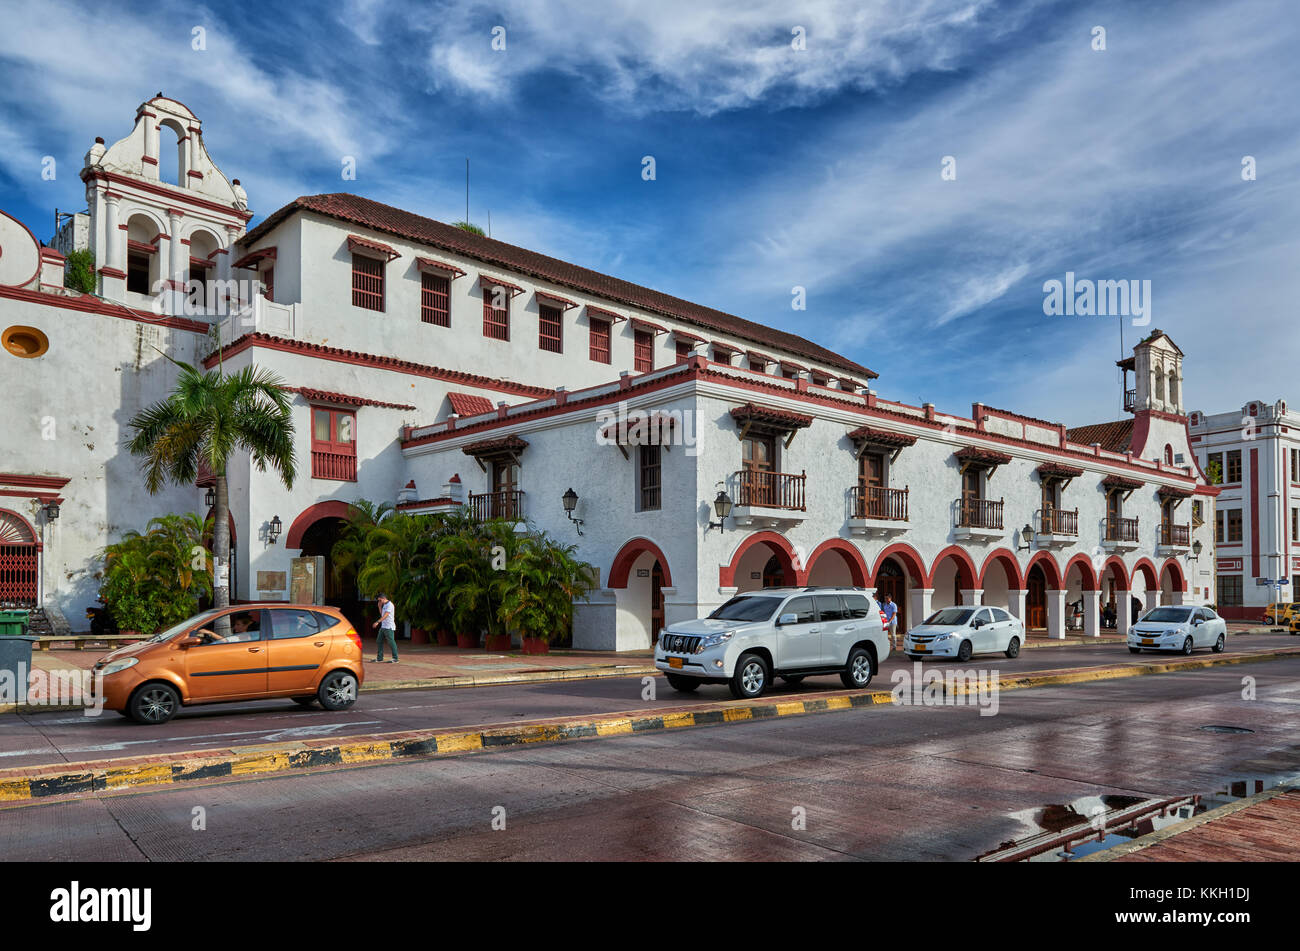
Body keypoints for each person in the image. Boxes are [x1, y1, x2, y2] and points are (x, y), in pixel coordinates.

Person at [373, 594, 398, 663]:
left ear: (383, 598)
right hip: (383, 626)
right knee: (379, 641)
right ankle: (380, 658)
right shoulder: (384, 605)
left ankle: (395, 658)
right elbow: (382, 614)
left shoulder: (390, 605)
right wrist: (379, 607)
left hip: (389, 626)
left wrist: (377, 622)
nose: (379, 601)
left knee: (391, 642)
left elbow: (385, 616)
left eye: (380, 600)